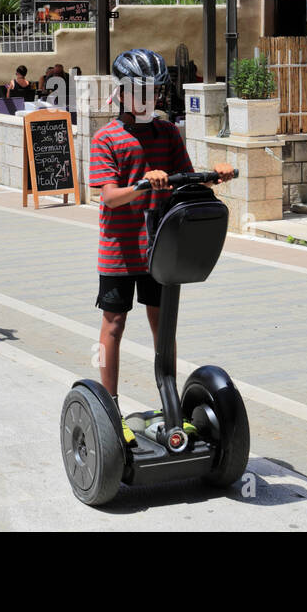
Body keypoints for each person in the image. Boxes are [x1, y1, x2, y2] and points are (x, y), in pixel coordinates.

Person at [89, 48, 234, 445]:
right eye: (141, 90)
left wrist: (214, 175)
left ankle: (169, 406)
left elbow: (185, 178)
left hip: (160, 247)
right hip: (119, 249)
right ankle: (110, 408)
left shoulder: (167, 133)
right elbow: (108, 197)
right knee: (114, 324)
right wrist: (142, 184)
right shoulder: (107, 137)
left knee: (162, 326)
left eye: (154, 90)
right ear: (122, 92)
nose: (149, 98)